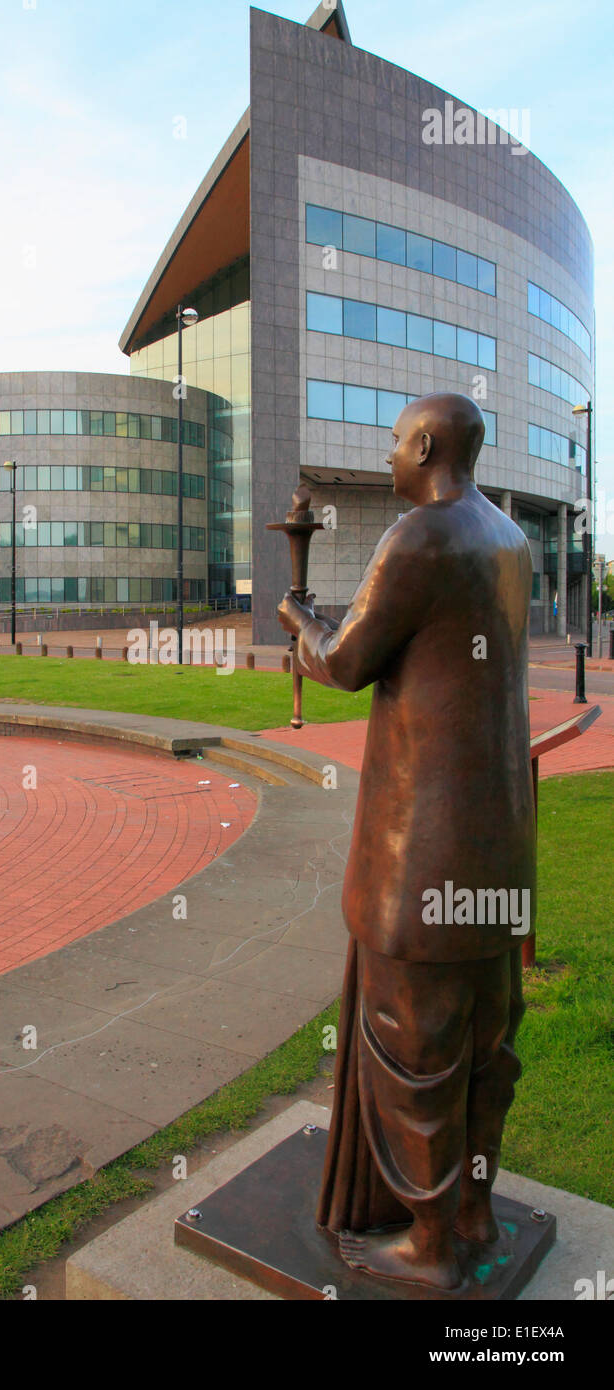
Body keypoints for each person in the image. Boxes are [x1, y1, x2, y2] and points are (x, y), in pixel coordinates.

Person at [278, 393, 534, 1292]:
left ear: (424, 445)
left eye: (394, 442)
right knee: (485, 1048)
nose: (389, 457)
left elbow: (346, 662)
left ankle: (430, 1247)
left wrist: (299, 620)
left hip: (422, 854)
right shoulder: (510, 540)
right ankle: (473, 1213)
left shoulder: (420, 537)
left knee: (414, 1047)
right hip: (498, 851)